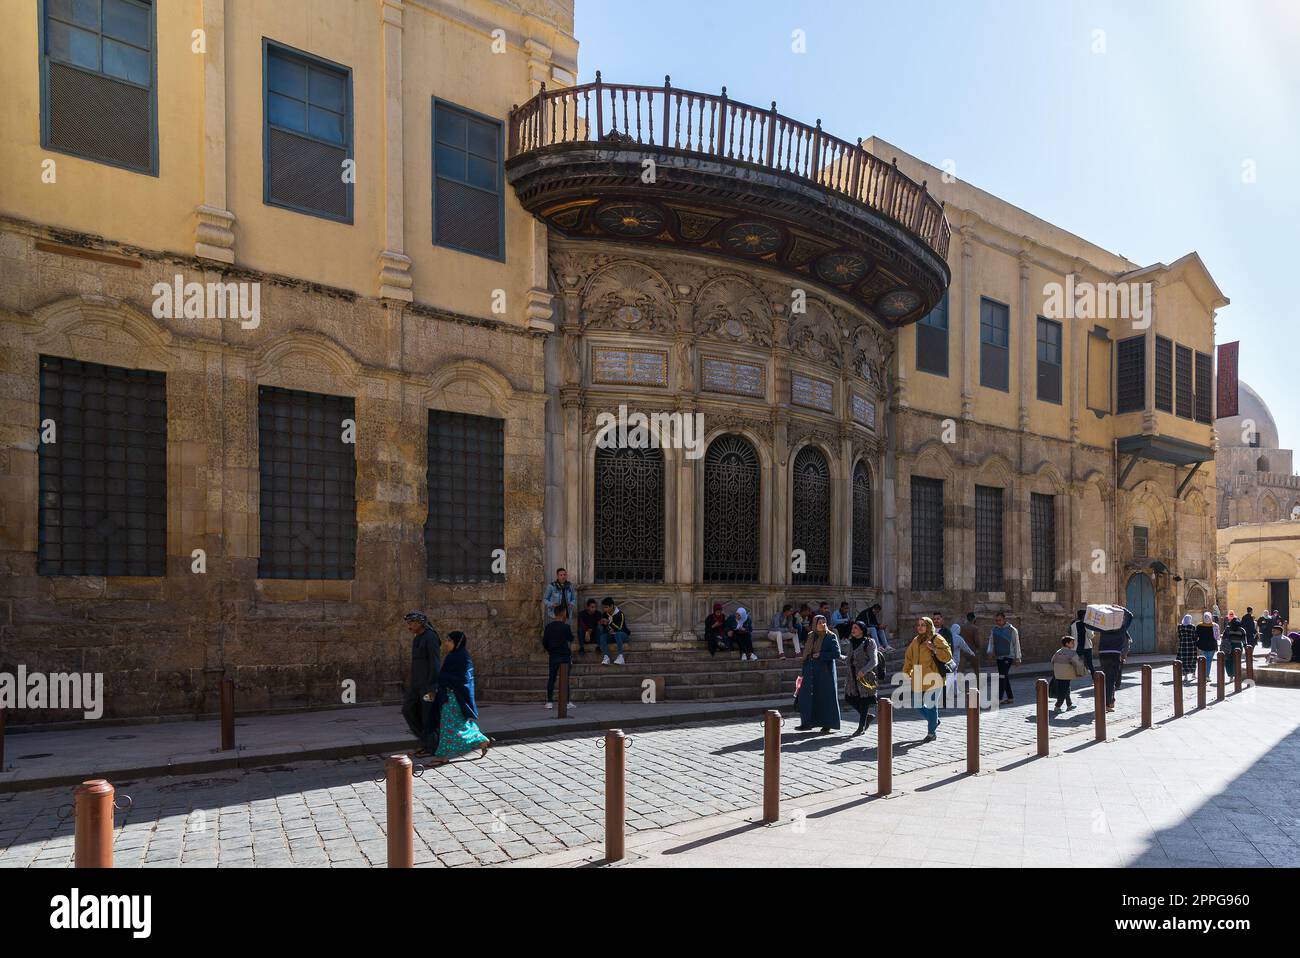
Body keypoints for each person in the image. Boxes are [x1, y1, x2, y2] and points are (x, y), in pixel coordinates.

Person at [423, 631, 492, 763]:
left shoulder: (459, 657)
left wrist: (443, 680)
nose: (446, 643)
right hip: (452, 696)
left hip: (453, 698)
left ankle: (442, 756)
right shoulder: (457, 655)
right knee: (459, 724)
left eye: (449, 641)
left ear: (457, 642)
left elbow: (463, 678)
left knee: (448, 727)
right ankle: (481, 740)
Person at [903, 616, 952, 742]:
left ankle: (931, 733)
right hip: (918, 677)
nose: (920, 627)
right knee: (917, 703)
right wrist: (906, 671)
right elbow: (909, 657)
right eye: (918, 625)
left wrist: (934, 648)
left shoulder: (937, 638)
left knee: (931, 706)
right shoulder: (916, 640)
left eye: (923, 625)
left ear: (929, 627)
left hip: (934, 677)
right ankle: (934, 720)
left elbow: (947, 656)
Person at [401, 611, 441, 755]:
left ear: (420, 623)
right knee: (408, 710)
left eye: (411, 623)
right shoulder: (418, 638)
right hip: (416, 685)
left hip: (427, 686)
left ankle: (431, 747)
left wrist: (433, 687)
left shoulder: (430, 638)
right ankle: (425, 741)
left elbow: (435, 663)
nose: (409, 626)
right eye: (408, 623)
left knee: (428, 715)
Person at [796, 615, 842, 732]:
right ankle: (806, 723)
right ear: (814, 624)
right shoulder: (811, 635)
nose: (822, 624)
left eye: (824, 622)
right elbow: (807, 652)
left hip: (824, 671)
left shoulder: (831, 636)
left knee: (825, 697)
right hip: (809, 669)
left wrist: (821, 655)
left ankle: (827, 724)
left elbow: (836, 653)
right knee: (806, 697)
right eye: (819, 622)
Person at [842, 620, 878, 737]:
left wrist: (863, 671)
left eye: (856, 628)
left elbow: (874, 661)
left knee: (864, 701)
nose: (853, 630)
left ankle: (861, 727)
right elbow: (848, 659)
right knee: (848, 698)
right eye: (852, 628)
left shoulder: (869, 642)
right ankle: (867, 716)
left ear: (862, 630)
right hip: (852, 677)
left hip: (865, 677)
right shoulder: (851, 643)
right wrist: (837, 655)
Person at [1096, 608, 1133, 713]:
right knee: (1110, 680)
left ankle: (1109, 701)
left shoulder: (1104, 628)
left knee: (1105, 678)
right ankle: (1108, 703)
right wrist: (1120, 608)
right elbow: (1130, 615)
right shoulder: (1122, 628)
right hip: (1114, 655)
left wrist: (1104, 611)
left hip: (1103, 654)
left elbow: (1091, 624)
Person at [542, 604, 576, 710]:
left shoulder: (548, 627)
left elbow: (544, 642)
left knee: (552, 678)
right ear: (563, 613)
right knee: (565, 679)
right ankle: (567, 702)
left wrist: (550, 651)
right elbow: (571, 638)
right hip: (565, 656)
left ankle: (549, 702)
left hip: (553, 656)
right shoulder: (565, 627)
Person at [986, 611, 1022, 705]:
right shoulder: (994, 630)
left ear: (1004, 619)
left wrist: (1018, 657)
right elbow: (991, 642)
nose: (998, 622)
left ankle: (999, 698)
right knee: (1004, 676)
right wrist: (989, 651)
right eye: (996, 620)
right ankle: (1010, 697)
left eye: (1000, 620)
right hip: (999, 656)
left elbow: (1016, 644)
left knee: (1002, 676)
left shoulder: (1012, 630)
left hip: (1008, 656)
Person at [1050, 635, 1086, 714]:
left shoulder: (1058, 652)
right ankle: (1057, 706)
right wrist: (1082, 673)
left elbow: (1052, 661)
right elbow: (1078, 664)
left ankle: (1069, 704)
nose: (1073, 644)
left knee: (1066, 689)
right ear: (1067, 644)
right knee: (1063, 690)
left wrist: (1058, 670)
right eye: (1072, 643)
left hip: (1058, 674)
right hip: (1066, 674)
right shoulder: (1072, 653)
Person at [943, 614, 976, 701]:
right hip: (955, 660)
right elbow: (965, 647)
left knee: (951, 675)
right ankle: (951, 692)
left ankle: (954, 692)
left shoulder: (947, 637)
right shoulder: (958, 638)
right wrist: (972, 653)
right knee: (952, 676)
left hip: (947, 659)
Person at [598, 597, 629, 665]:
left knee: (617, 634)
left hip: (623, 635)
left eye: (606, 607)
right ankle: (606, 657)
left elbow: (620, 628)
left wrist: (609, 622)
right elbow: (605, 628)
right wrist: (604, 624)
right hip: (612, 636)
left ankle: (621, 657)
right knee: (602, 636)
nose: (605, 609)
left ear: (612, 606)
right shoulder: (604, 614)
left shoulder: (620, 614)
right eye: (604, 607)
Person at [1194, 612, 1219, 680]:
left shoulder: (1199, 626)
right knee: (1208, 661)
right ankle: (1207, 676)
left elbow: (1196, 636)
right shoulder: (1215, 625)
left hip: (1202, 646)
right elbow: (1217, 636)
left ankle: (1202, 675)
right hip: (1212, 646)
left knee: (1202, 661)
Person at [1223, 612, 1247, 678]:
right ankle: (1235, 674)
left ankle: (1230, 675)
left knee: (1228, 660)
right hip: (1238, 647)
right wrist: (1246, 649)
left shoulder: (1228, 629)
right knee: (1236, 661)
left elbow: (1223, 638)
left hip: (1229, 647)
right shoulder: (1242, 630)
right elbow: (1244, 641)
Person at [1176, 613, 1198, 681]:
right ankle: (1193, 674)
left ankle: (1185, 676)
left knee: (1184, 660)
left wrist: (1183, 639)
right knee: (1192, 660)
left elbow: (1179, 636)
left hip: (1182, 645)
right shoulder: (1192, 627)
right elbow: (1195, 636)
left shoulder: (1180, 626)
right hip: (1191, 646)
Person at [1071, 610, 1094, 678]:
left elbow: (1072, 635)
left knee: (1075, 662)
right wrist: (1087, 627)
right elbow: (1091, 636)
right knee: (1090, 664)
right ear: (1083, 616)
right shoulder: (1087, 624)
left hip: (1076, 647)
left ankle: (1074, 675)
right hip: (1087, 647)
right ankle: (1094, 677)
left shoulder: (1073, 624)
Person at [960, 612, 981, 677]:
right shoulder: (975, 628)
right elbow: (977, 641)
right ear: (974, 619)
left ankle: (958, 686)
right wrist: (978, 648)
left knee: (961, 671)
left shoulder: (962, 627)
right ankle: (978, 686)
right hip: (972, 651)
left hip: (963, 651)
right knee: (976, 671)